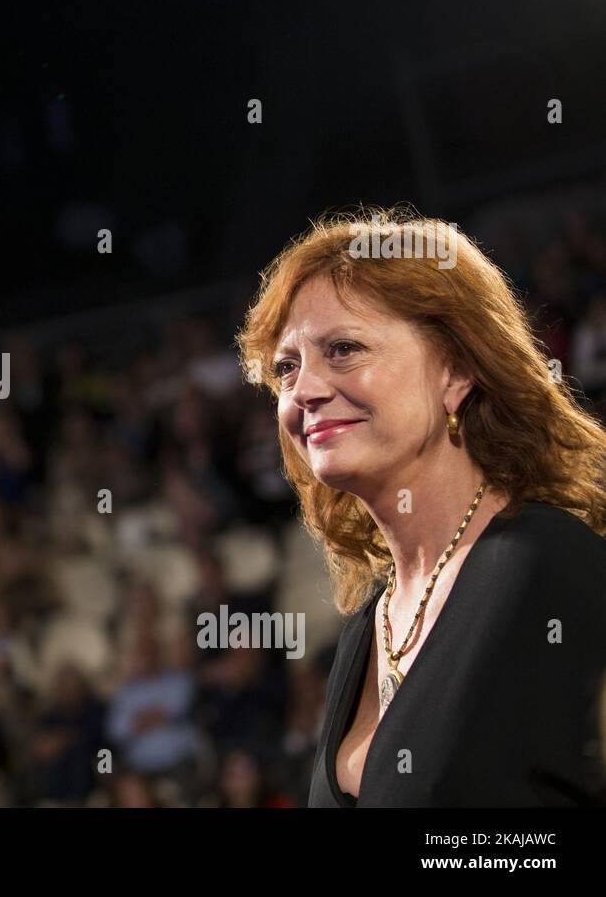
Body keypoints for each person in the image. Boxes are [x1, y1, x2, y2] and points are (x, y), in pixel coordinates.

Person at [236, 207, 606, 806]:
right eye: (286, 367)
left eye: (344, 349)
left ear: (456, 370)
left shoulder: (547, 567)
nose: (303, 390)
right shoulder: (368, 625)